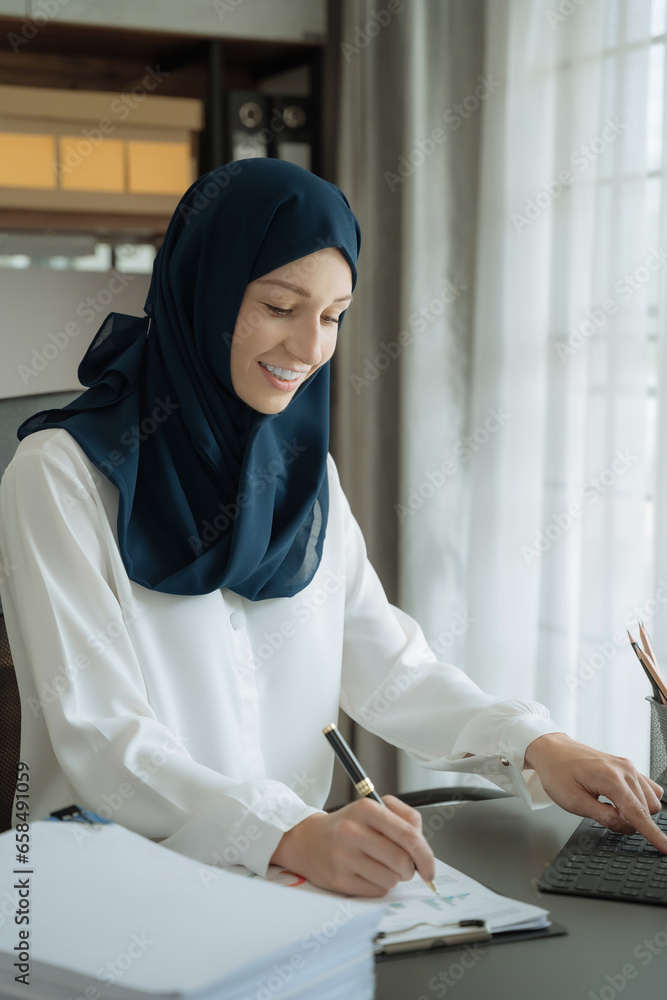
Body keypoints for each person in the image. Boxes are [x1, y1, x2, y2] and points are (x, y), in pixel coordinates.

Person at [0, 158, 665, 900]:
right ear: (204, 290)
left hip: (296, 880)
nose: (309, 349)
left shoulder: (302, 472)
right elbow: (101, 736)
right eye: (280, 307)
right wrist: (283, 831)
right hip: (117, 888)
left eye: (333, 316)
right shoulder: (58, 474)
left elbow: (387, 669)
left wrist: (537, 746)